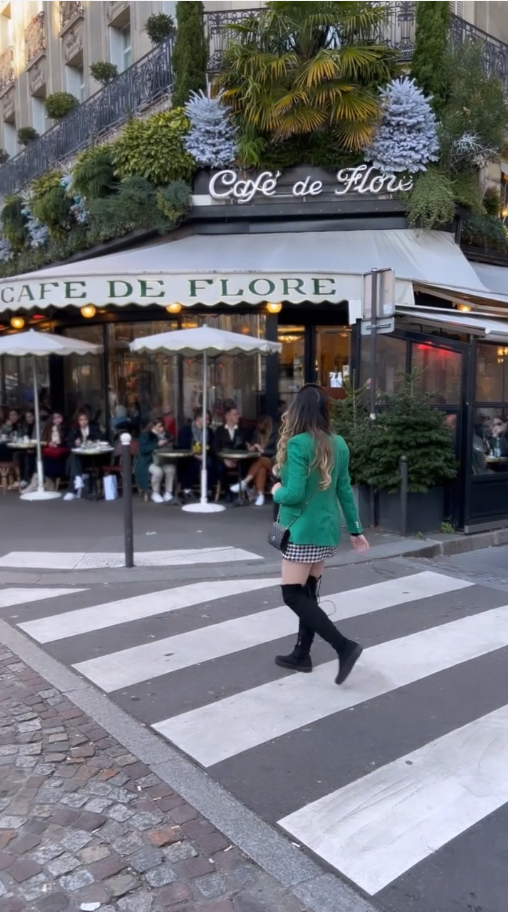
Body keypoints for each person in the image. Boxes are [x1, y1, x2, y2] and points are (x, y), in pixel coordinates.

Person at [272, 384, 369, 685]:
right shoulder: (338, 443)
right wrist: (356, 530)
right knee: (309, 593)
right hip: (326, 531)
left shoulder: (298, 444)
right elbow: (344, 491)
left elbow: (294, 494)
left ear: (298, 410)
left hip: (301, 531)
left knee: (292, 594)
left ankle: (344, 646)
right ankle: (302, 653)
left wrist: (276, 491)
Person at [230, 415, 276, 506]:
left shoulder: (275, 434)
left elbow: (276, 451)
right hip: (260, 462)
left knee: (262, 460)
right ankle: (261, 496)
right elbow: (254, 443)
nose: (260, 429)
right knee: (261, 469)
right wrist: (252, 448)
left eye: (262, 427)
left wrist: (263, 450)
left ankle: (244, 482)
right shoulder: (256, 433)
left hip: (274, 462)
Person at [135, 417, 175, 504]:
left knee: (171, 468)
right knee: (158, 471)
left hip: (160, 460)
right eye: (159, 426)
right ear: (153, 426)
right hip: (147, 461)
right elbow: (143, 449)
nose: (162, 428)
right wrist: (157, 444)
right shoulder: (145, 435)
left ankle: (168, 492)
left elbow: (172, 440)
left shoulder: (164, 434)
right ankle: (155, 492)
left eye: (162, 426)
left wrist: (168, 443)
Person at [65, 408, 101, 500]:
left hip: (92, 457)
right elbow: (69, 443)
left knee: (74, 460)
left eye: (85, 419)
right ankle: (77, 479)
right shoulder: (75, 430)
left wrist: (94, 442)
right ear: (78, 421)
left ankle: (72, 489)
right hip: (80, 458)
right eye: (81, 420)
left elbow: (100, 438)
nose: (83, 422)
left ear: (88, 419)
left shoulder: (94, 428)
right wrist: (75, 443)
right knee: (74, 457)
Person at [178, 409, 214, 499]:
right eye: (206, 419)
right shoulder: (186, 430)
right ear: (198, 418)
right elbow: (183, 445)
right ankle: (187, 490)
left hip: (205, 455)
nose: (208, 421)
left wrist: (203, 453)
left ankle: (208, 490)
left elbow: (211, 446)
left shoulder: (209, 431)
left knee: (209, 462)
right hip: (188, 456)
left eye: (209, 419)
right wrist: (195, 453)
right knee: (193, 463)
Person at [213, 404, 247, 494]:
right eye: (235, 414)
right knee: (219, 469)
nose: (238, 416)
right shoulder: (219, 430)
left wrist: (236, 459)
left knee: (246, 466)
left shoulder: (242, 430)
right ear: (227, 416)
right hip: (223, 460)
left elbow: (245, 447)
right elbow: (215, 448)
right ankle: (228, 491)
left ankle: (239, 490)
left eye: (238, 414)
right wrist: (225, 460)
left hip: (239, 460)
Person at [42, 412, 69, 488]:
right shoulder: (48, 428)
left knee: (57, 458)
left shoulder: (65, 428)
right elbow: (44, 440)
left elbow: (67, 440)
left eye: (58, 417)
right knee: (45, 457)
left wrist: (58, 444)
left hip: (61, 449)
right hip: (50, 449)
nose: (57, 419)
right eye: (55, 417)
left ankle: (55, 483)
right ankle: (49, 481)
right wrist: (49, 443)